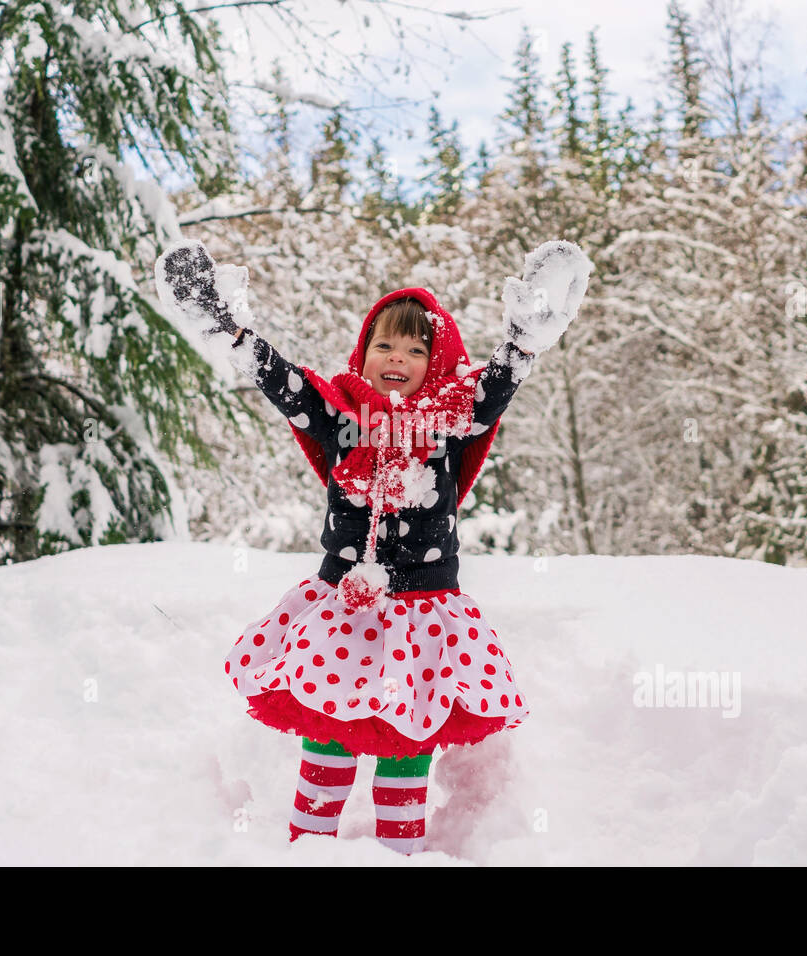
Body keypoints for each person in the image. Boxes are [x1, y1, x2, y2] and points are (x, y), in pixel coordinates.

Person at [155, 238, 591, 855]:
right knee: (328, 731)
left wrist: (521, 345)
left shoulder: (452, 416)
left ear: (437, 361)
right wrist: (232, 334)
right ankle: (309, 847)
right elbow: (286, 386)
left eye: (417, 349)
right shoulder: (341, 418)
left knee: (407, 742)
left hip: (424, 615)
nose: (397, 357)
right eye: (383, 344)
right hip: (343, 611)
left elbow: (492, 392)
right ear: (363, 352)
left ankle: (399, 851)